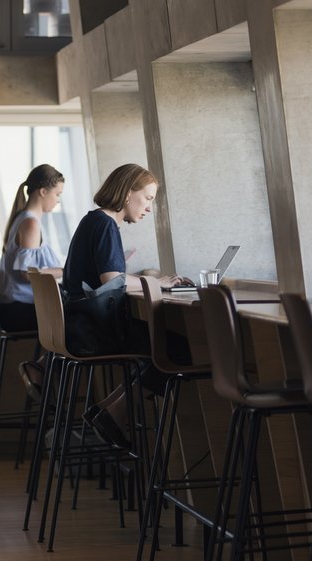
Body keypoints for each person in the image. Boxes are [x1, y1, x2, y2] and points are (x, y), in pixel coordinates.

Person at [62, 163, 191, 446]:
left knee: (160, 348)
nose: (148, 208)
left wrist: (145, 279)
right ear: (127, 192)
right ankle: (113, 411)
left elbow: (110, 277)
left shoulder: (93, 221)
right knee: (179, 350)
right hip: (96, 331)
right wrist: (160, 284)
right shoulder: (106, 225)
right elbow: (111, 279)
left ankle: (107, 410)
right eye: (147, 198)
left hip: (82, 325)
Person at [0, 163, 65, 333]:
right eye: (57, 194)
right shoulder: (30, 224)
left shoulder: (23, 219)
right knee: (80, 318)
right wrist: (65, 270)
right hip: (19, 311)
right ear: (43, 191)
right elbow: (27, 274)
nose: (58, 200)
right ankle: (50, 360)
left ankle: (47, 360)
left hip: (15, 308)